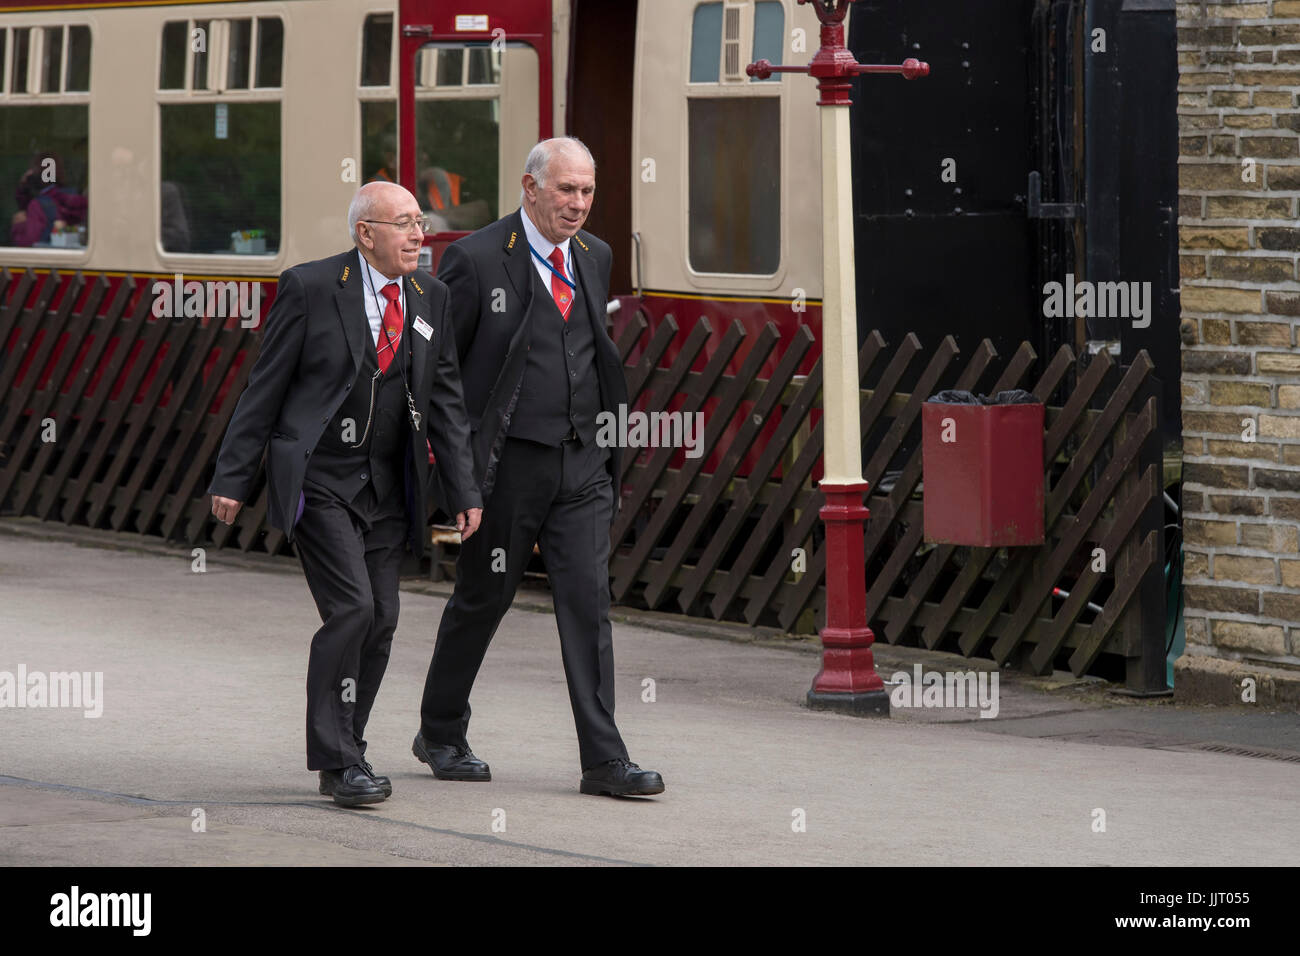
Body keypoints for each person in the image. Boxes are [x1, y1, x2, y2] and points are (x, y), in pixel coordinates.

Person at [209, 182, 482, 807]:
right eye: (405, 224)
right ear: (366, 233)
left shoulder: (429, 297)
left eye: (422, 222)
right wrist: (233, 475)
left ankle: (350, 745)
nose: (420, 235)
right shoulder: (310, 287)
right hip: (322, 480)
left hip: (389, 487)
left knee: (382, 620)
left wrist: (464, 489)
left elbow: (446, 402)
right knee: (353, 609)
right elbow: (265, 386)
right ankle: (337, 761)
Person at [414, 137, 664, 797]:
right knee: (483, 598)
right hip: (505, 467)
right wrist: (457, 471)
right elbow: (440, 370)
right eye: (565, 191)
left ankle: (604, 760)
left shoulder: (595, 255)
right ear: (530, 188)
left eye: (587, 191)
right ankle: (440, 731)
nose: (578, 204)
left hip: (580, 465)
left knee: (588, 605)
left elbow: (588, 352)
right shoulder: (473, 259)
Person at [10, 152, 87, 247]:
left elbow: (28, 244)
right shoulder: (74, 198)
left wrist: (19, 225)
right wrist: (23, 190)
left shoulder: (38, 205)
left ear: (37, 174)